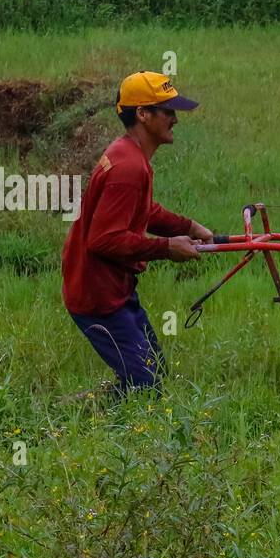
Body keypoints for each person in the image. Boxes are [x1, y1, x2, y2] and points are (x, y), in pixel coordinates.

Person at [61, 71, 213, 397]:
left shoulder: (128, 155)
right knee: (146, 387)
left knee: (154, 371)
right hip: (98, 297)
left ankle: (98, 399)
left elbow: (142, 211)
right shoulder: (128, 166)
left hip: (115, 288)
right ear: (142, 114)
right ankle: (76, 418)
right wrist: (166, 247)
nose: (175, 119)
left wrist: (188, 227)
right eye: (167, 111)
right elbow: (103, 240)